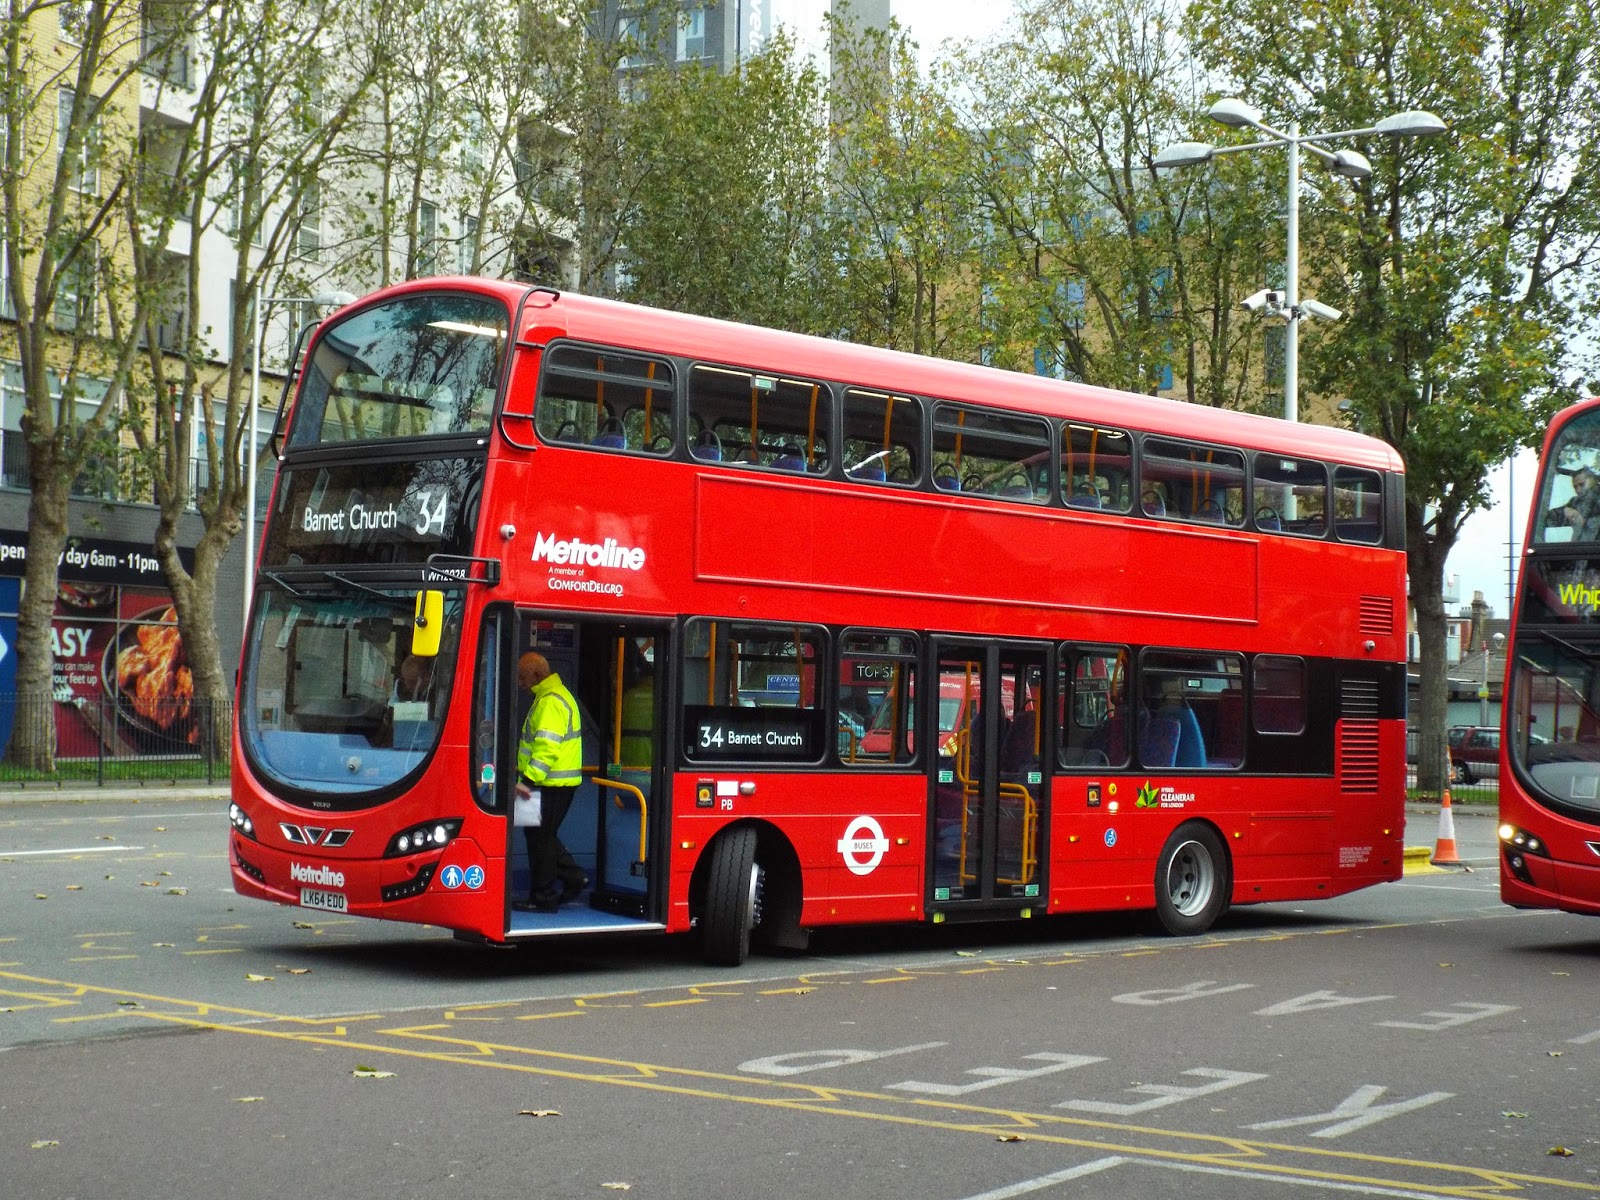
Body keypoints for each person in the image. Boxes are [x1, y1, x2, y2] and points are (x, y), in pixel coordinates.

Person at [512, 651, 588, 913]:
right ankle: (573, 877)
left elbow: (547, 747)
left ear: (536, 675)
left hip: (550, 783)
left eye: (522, 677)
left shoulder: (550, 702)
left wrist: (529, 780)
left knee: (540, 838)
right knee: (539, 835)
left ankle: (543, 897)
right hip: (552, 782)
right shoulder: (551, 696)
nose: (520, 683)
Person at [1546, 466, 1600, 540]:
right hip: (1580, 548)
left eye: (1582, 484)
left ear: (1594, 479)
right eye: (1575, 487)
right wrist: (1565, 511)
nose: (1578, 490)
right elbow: (1548, 519)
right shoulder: (1576, 503)